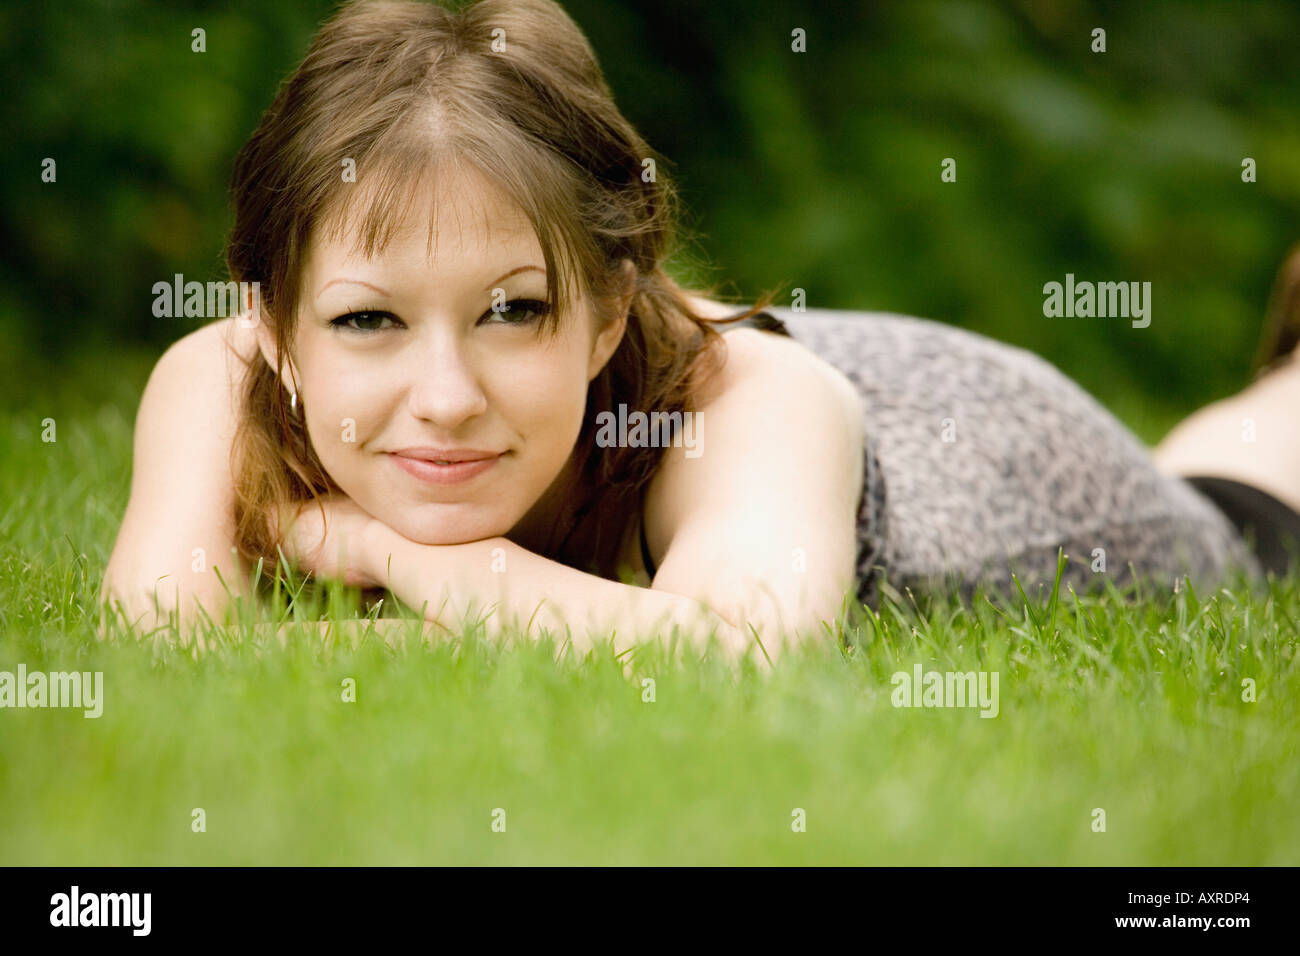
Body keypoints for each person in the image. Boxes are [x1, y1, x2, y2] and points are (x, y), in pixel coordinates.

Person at [98, 0, 1300, 665]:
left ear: (613, 302)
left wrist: (406, 558)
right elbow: (163, 631)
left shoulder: (747, 403)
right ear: (275, 324)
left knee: (1255, 482)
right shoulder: (228, 365)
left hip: (1016, 455)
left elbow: (736, 659)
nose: (445, 392)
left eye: (514, 309)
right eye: (367, 320)